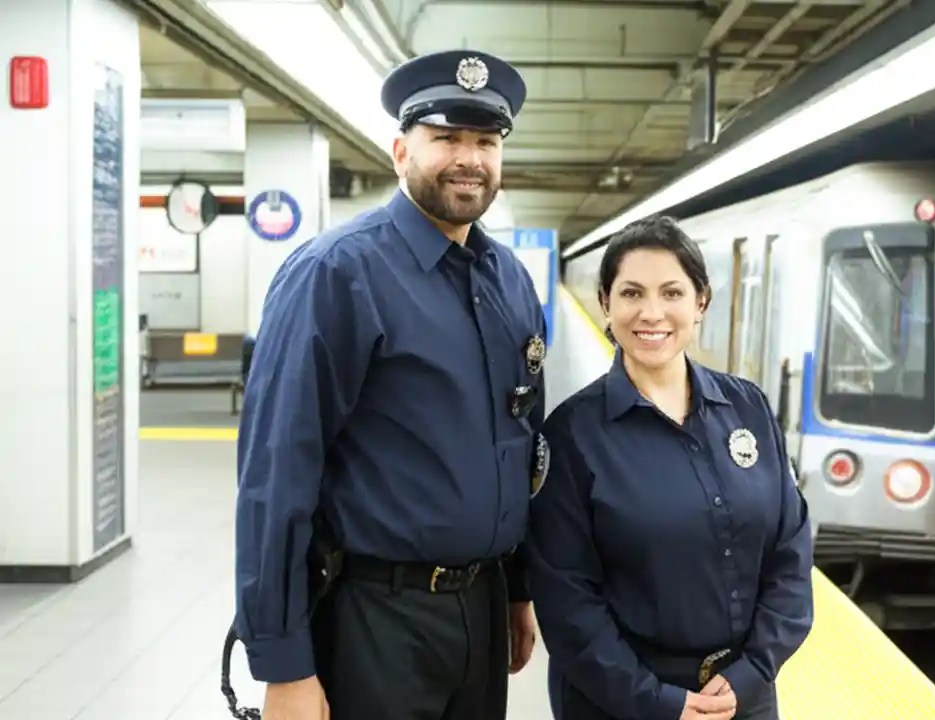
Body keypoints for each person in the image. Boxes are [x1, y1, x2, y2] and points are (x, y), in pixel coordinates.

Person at [233, 49, 548, 720]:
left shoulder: (509, 280)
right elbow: (275, 476)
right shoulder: (336, 274)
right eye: (446, 139)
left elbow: (522, 446)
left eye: (486, 141)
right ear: (402, 150)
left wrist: (517, 590)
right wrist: (283, 663)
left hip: (481, 610)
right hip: (375, 615)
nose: (469, 158)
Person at [525, 216, 815, 720]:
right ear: (606, 305)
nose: (651, 313)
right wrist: (658, 702)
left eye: (672, 293)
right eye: (632, 293)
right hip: (621, 703)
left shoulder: (749, 409)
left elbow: (791, 550)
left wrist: (751, 672)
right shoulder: (572, 434)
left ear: (701, 302)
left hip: (741, 698)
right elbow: (567, 600)